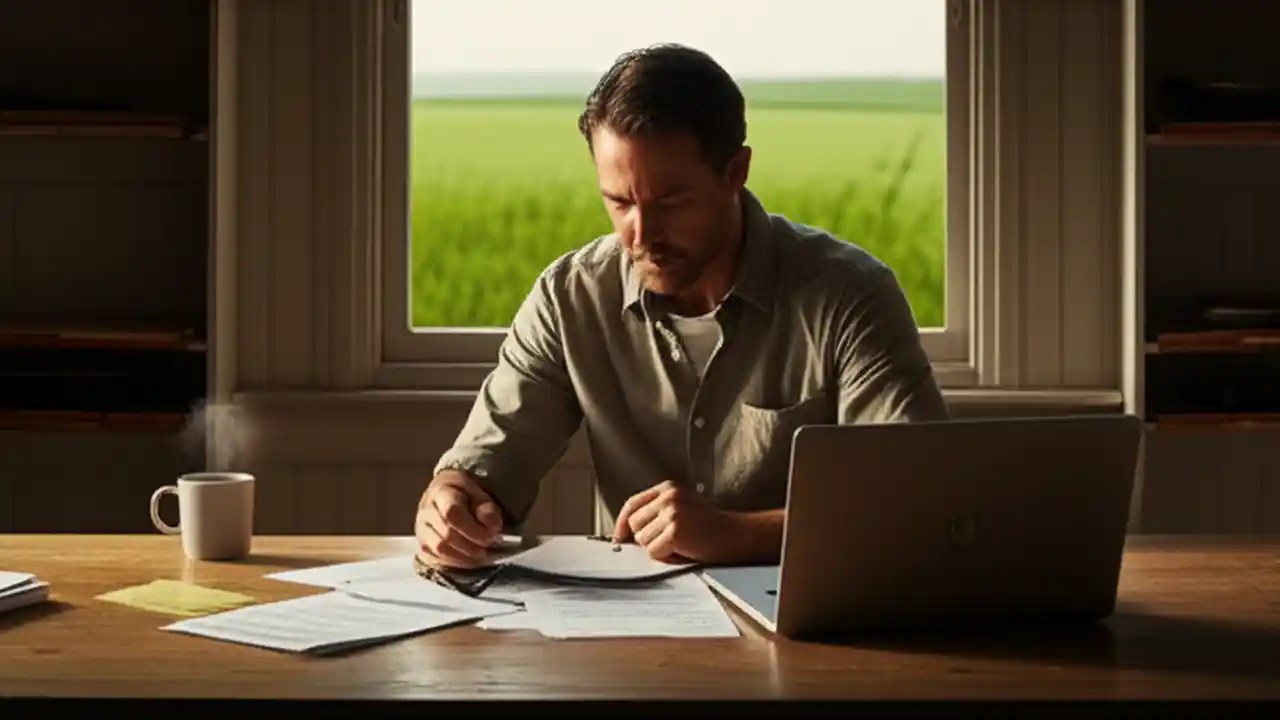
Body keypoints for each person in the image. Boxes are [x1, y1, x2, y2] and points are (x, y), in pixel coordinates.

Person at [415, 43, 948, 571]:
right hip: (628, 638)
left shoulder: (850, 296)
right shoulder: (569, 298)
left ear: (735, 172)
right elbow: (481, 470)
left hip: (808, 635)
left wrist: (735, 535)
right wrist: (451, 503)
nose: (641, 235)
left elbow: (914, 501)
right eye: (619, 203)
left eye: (672, 202)